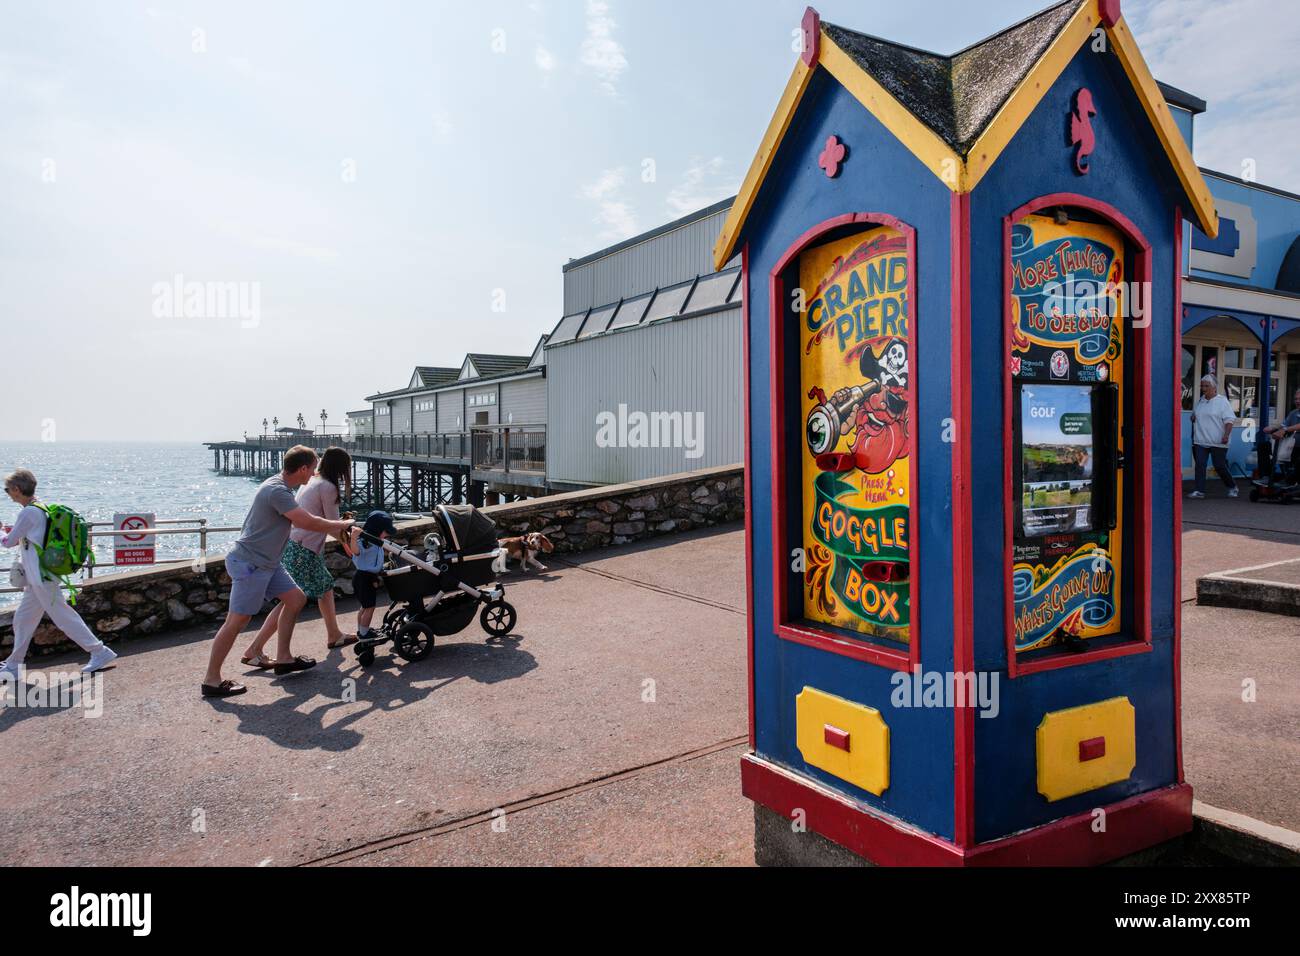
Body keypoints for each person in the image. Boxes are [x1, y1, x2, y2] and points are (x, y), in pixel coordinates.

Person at [202, 446, 353, 699]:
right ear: (303, 468)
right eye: (313, 467)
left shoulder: (278, 484)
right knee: (236, 622)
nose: (315, 472)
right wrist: (342, 525)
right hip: (251, 563)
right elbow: (306, 521)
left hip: (270, 563)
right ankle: (212, 680)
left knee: (295, 598)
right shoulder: (278, 491)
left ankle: (283, 658)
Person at [240, 447, 355, 667]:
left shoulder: (313, 482)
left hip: (295, 545)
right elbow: (334, 526)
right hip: (305, 550)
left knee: (325, 587)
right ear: (341, 468)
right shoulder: (328, 487)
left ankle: (334, 634)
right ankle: (254, 649)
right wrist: (351, 541)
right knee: (290, 601)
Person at [0, 469, 117, 678]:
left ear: (17, 489)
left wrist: (1, 531)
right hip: (37, 578)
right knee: (22, 619)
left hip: (41, 577)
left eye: (7, 489)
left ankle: (99, 651)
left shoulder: (28, 512)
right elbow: (29, 536)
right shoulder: (40, 507)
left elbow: (8, 542)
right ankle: (14, 665)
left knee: (64, 617)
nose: (7, 493)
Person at [350, 511, 398, 643]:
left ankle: (362, 630)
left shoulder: (377, 541)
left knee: (364, 606)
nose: (387, 535)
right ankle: (364, 635)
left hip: (368, 577)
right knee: (369, 607)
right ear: (377, 530)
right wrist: (353, 538)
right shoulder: (365, 541)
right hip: (363, 578)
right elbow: (355, 551)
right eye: (386, 532)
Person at [1188, 375, 1238, 499]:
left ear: (1214, 387)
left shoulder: (1222, 401)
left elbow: (1229, 420)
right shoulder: (1201, 401)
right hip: (1200, 440)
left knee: (1219, 466)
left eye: (1206, 386)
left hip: (1218, 440)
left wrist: (1226, 435)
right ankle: (1199, 491)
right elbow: (1195, 415)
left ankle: (1232, 487)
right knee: (1200, 465)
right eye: (1202, 386)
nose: (1203, 388)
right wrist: (1193, 417)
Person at [1262, 387, 1300, 482]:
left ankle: (1291, 480)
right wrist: (1273, 428)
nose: (1297, 401)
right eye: (1296, 399)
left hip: (1297, 447)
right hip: (1289, 445)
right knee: (1263, 446)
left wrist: (1285, 430)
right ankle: (1267, 475)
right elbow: (1283, 425)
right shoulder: (1293, 413)